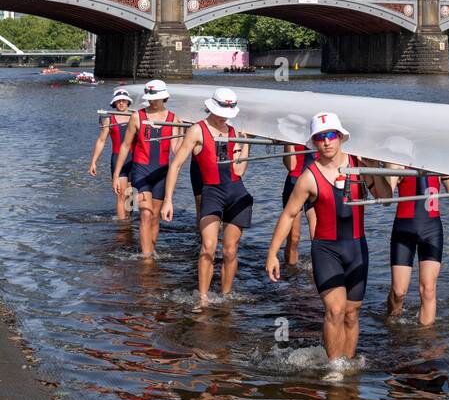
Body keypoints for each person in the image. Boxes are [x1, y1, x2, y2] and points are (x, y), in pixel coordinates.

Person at [266, 112, 371, 383]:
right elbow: (289, 214)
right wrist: (272, 253)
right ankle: (335, 368)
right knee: (335, 310)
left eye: (331, 136)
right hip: (326, 250)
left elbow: (384, 196)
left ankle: (347, 362)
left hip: (358, 248)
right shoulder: (308, 177)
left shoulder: (360, 164)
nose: (326, 142)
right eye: (320, 138)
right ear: (314, 142)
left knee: (351, 313)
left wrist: (379, 167)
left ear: (340, 137)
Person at [162, 87, 251, 304]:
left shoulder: (234, 133)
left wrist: (245, 143)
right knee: (208, 246)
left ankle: (226, 296)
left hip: (237, 194)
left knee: (230, 251)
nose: (225, 117)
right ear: (212, 108)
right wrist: (168, 200)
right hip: (212, 192)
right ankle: (202, 299)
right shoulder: (197, 130)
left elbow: (239, 171)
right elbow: (176, 165)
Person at [377, 167, 449, 326]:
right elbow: (387, 196)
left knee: (428, 289)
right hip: (404, 230)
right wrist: (388, 173)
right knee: (398, 292)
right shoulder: (399, 163)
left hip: (432, 231)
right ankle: (392, 327)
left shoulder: (436, 162)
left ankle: (427, 339)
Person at [113, 79, 179, 257]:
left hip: (161, 173)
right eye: (150, 98)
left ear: (164, 98)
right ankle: (147, 259)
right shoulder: (137, 116)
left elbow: (176, 151)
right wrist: (117, 174)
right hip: (140, 171)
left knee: (156, 216)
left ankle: (150, 249)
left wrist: (187, 138)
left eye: (156, 98)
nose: (152, 102)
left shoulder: (174, 119)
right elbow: (125, 146)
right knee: (145, 214)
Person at [89, 87, 134, 222]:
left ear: (128, 102)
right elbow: (101, 140)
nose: (121, 103)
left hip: (135, 160)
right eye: (118, 101)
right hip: (117, 160)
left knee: (131, 195)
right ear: (114, 103)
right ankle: (122, 228)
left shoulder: (135, 117)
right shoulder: (109, 119)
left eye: (124, 101)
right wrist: (93, 162)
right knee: (121, 195)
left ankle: (129, 223)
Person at [280, 141, 311, 267]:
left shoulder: (322, 134)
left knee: (318, 237)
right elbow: (291, 166)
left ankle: (319, 276)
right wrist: (288, 141)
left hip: (316, 183)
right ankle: (291, 276)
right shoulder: (291, 130)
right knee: (294, 238)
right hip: (294, 183)